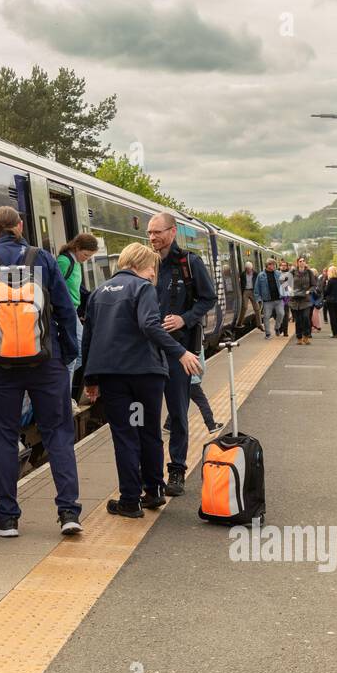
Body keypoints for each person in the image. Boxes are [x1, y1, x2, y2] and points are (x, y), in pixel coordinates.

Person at [0, 205, 82, 536]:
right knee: (58, 434)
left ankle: (7, 517)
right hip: (47, 362)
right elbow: (65, 310)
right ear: (20, 226)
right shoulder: (43, 259)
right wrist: (67, 353)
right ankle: (69, 513)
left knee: (3, 438)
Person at [83, 242, 202, 518]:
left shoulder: (98, 293)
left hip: (114, 377)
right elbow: (149, 325)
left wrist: (90, 380)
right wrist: (181, 352)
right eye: (151, 268)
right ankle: (154, 490)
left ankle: (129, 500)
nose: (152, 274)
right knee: (148, 433)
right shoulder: (142, 288)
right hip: (147, 375)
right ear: (138, 264)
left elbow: (89, 339)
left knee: (125, 436)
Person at [146, 213, 218, 497]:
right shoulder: (146, 263)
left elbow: (208, 298)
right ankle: (150, 473)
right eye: (149, 233)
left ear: (172, 232)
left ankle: (177, 470)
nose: (152, 238)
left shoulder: (190, 263)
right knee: (149, 415)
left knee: (177, 412)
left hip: (179, 350)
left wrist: (185, 319)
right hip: (149, 351)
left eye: (157, 232)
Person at [57, 233, 99, 396]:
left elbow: (77, 290)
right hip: (66, 313)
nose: (86, 259)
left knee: (79, 353)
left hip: (73, 312)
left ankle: (62, 388)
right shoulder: (63, 261)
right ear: (77, 248)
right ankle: (64, 396)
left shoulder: (75, 263)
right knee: (79, 351)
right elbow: (56, 287)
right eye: (86, 255)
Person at [289, 256, 315, 344]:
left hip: (306, 300)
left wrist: (309, 291)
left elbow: (314, 285)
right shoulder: (292, 272)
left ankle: (306, 336)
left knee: (306, 318)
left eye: (303, 261)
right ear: (297, 263)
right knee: (298, 320)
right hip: (295, 300)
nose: (302, 262)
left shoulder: (309, 272)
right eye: (300, 261)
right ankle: (299, 338)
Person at [255, 258, 284, 338]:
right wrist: (258, 299)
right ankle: (268, 333)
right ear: (268, 265)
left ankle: (277, 327)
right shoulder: (261, 275)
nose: (274, 266)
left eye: (275, 264)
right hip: (267, 300)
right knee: (266, 316)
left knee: (281, 314)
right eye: (273, 264)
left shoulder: (278, 273)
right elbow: (257, 288)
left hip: (279, 299)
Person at [238, 261, 259, 328]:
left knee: (257, 308)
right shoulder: (243, 274)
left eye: (249, 269)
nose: (248, 270)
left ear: (251, 268)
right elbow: (240, 283)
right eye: (247, 269)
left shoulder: (256, 274)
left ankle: (259, 324)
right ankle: (239, 323)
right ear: (245, 268)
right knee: (244, 307)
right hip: (246, 291)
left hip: (253, 291)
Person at [277, 259, 293, 336]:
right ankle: (281, 327)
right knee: (278, 313)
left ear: (287, 267)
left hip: (286, 296)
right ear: (279, 266)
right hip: (277, 297)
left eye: (284, 266)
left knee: (286, 314)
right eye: (282, 265)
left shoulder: (289, 275)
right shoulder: (276, 274)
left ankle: (285, 332)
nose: (283, 267)